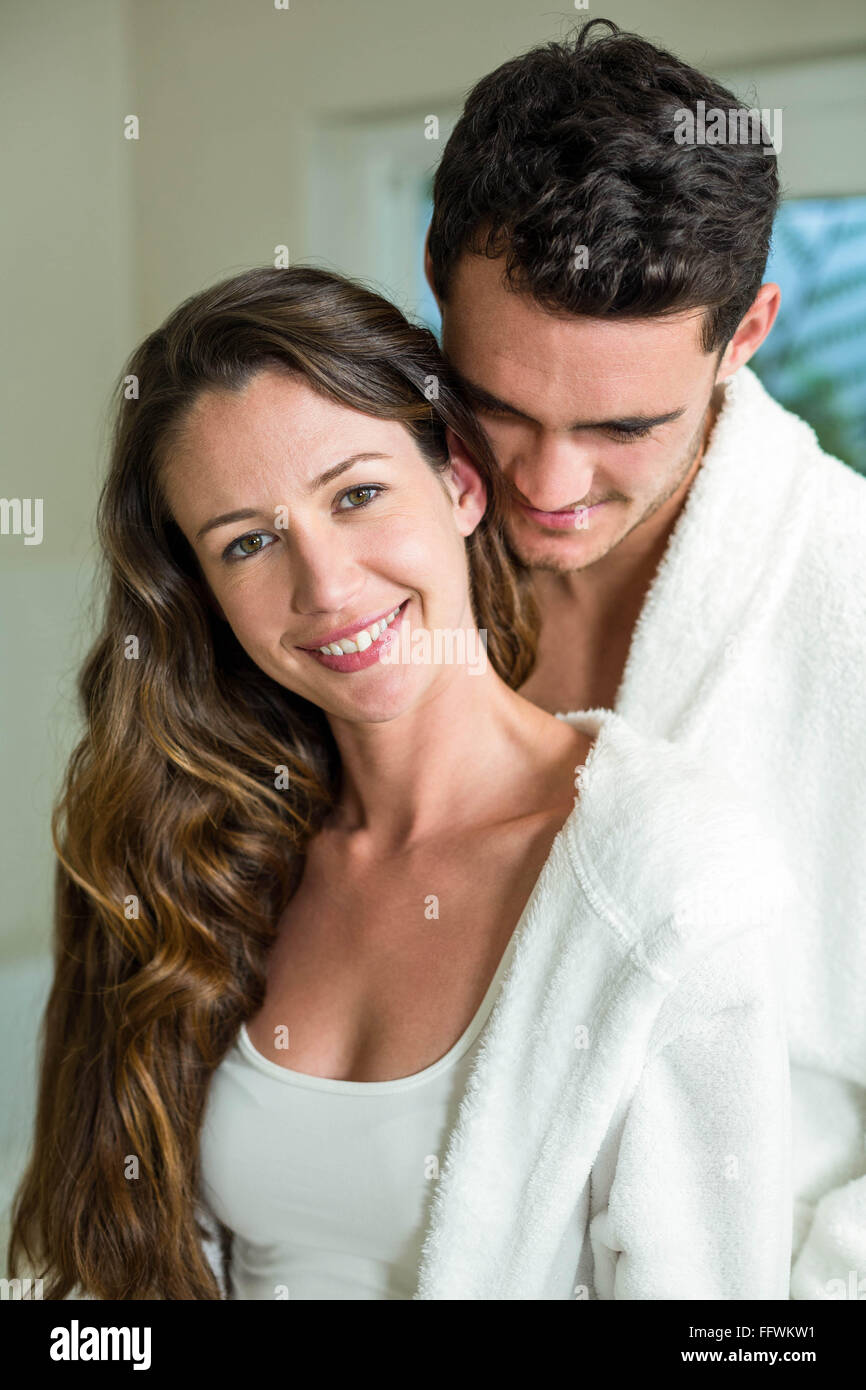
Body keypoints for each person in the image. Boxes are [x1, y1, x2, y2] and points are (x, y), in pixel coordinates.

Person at [7, 265, 793, 1301]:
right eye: (247, 541)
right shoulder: (186, 851)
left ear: (460, 482)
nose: (326, 584)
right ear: (203, 595)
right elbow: (100, 1282)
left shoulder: (669, 875)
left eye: (357, 493)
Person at [423, 17, 866, 1301]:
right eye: (496, 404)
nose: (544, 483)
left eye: (621, 425)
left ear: (747, 333)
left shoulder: (849, 605)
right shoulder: (384, 550)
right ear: (439, 279)